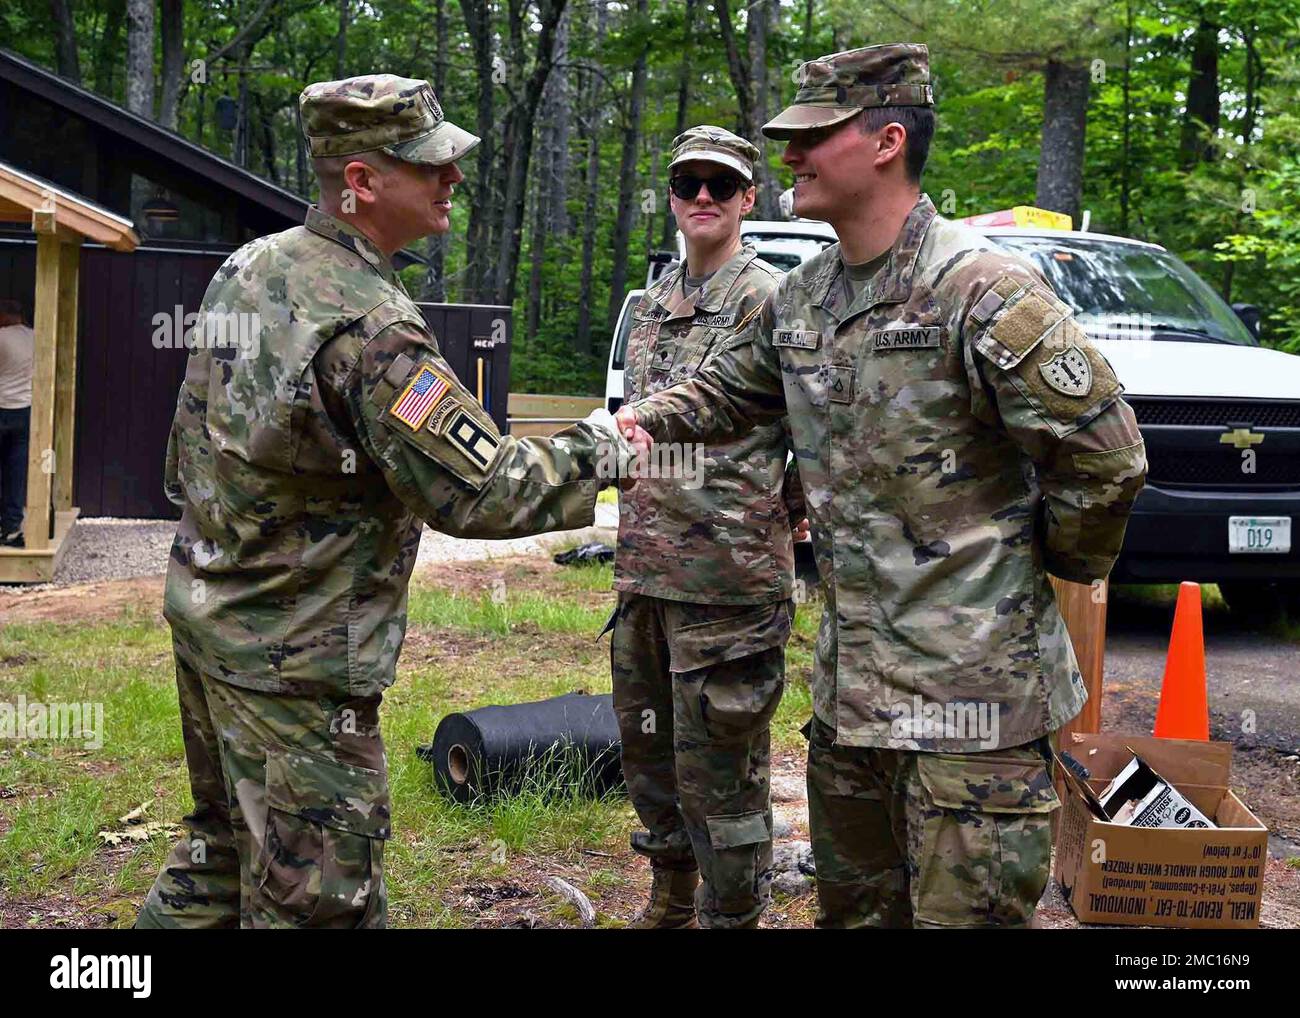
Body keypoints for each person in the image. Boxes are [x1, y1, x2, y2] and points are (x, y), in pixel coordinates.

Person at [617, 43, 1147, 928]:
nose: (789, 158)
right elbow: (722, 391)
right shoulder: (804, 298)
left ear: (885, 141)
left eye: (812, 137)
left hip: (972, 709)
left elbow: (1106, 456)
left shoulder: (978, 288)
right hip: (851, 709)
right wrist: (634, 425)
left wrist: (1036, 567)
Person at [136, 73, 648, 929]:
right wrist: (604, 450)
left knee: (220, 850)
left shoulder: (248, 266)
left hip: (210, 623)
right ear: (362, 182)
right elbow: (479, 490)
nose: (452, 179)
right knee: (322, 899)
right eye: (430, 165)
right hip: (296, 667)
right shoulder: (373, 327)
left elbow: (188, 444)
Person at [611, 126, 801, 929]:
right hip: (645, 572)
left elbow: (818, 426)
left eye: (719, 186)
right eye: (688, 183)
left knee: (720, 772)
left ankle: (733, 917)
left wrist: (785, 512)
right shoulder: (654, 302)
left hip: (727, 583)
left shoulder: (773, 300)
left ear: (747, 200)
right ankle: (670, 897)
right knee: (650, 759)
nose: (701, 198)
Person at [0, 298, 34, 547]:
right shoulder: (35, 337)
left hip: (2, 407)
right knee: (15, 472)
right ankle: (12, 528)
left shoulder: (1, 337)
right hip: (24, 412)